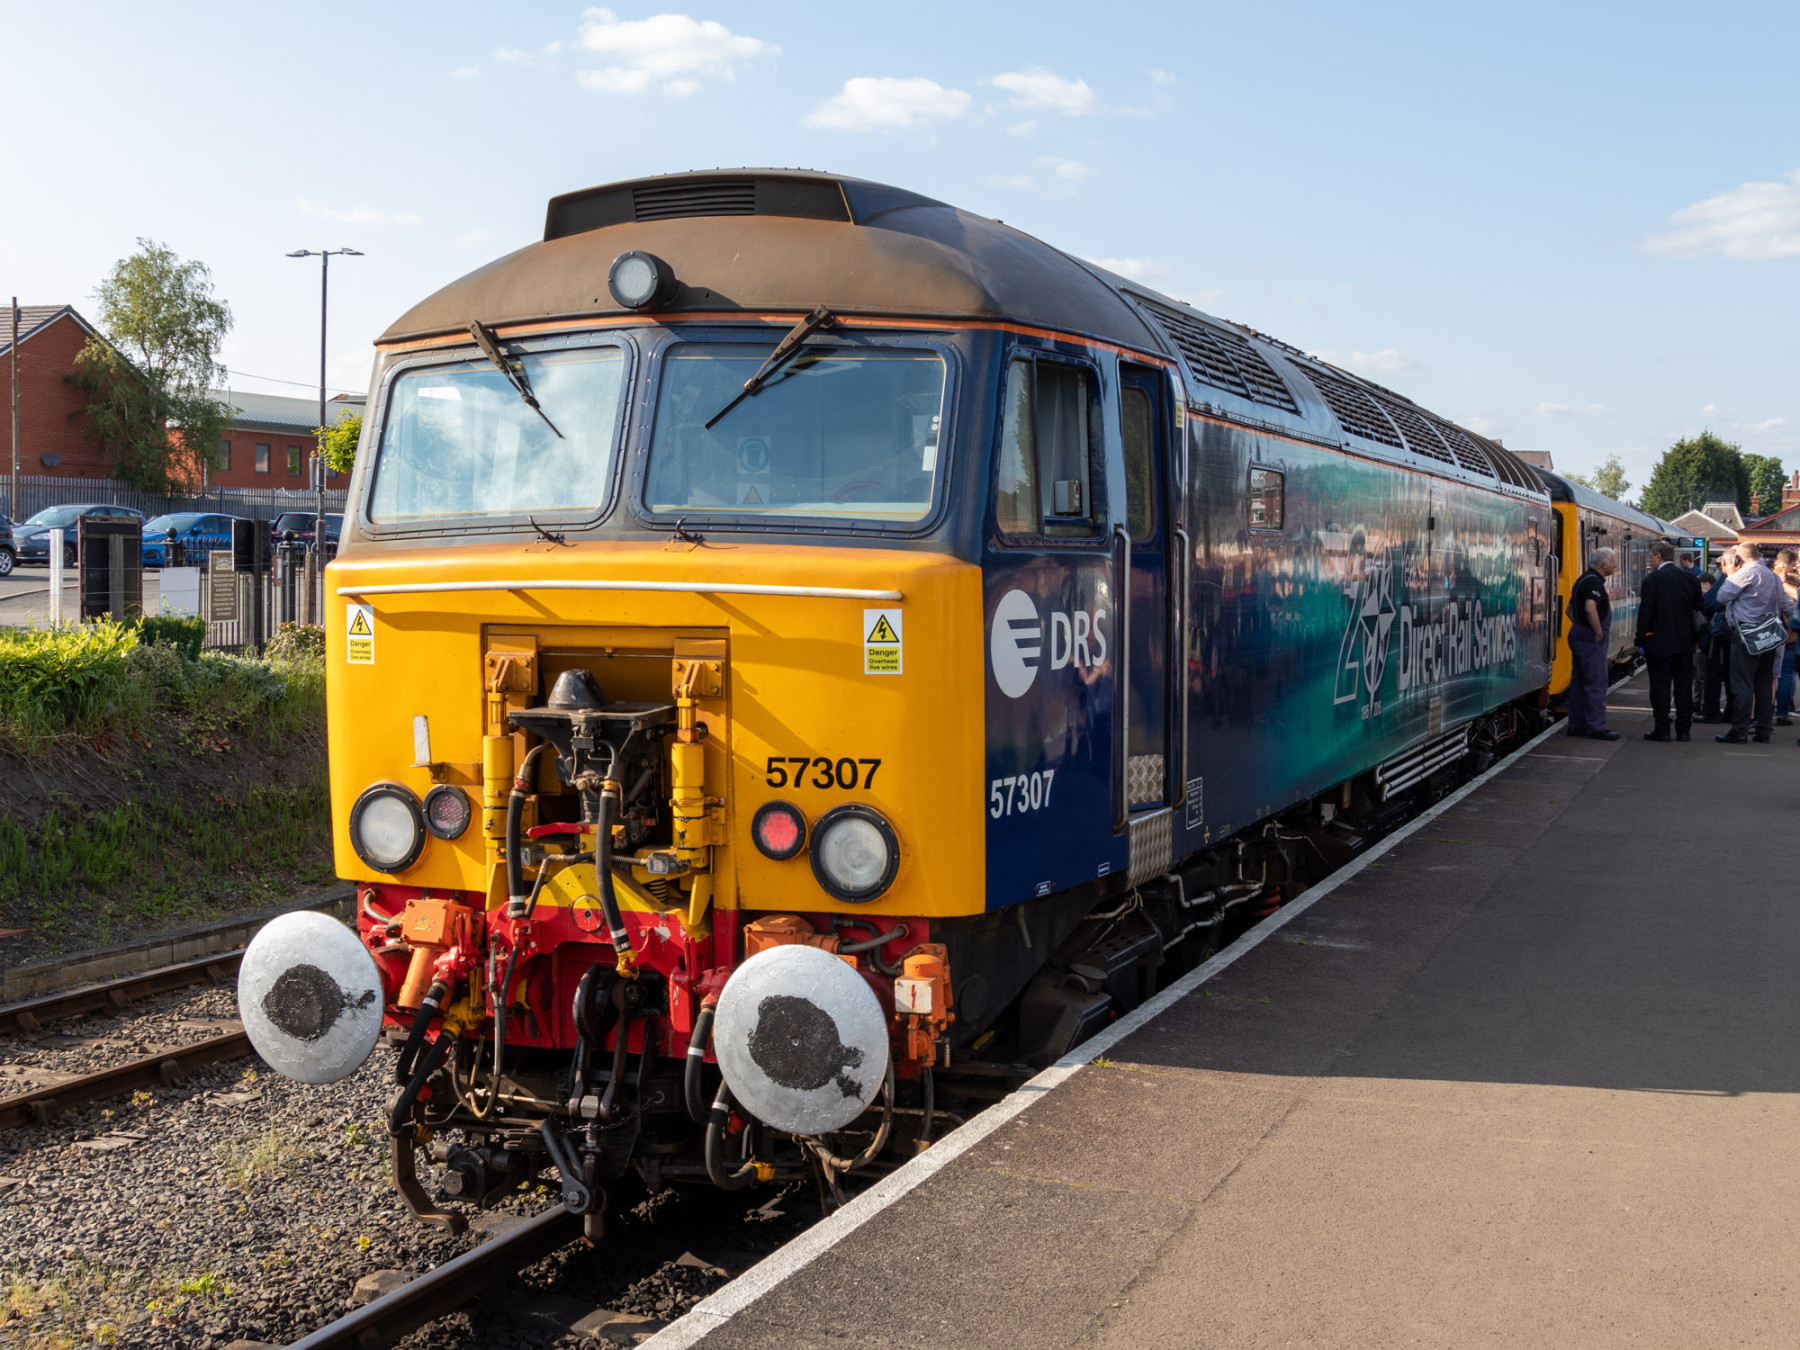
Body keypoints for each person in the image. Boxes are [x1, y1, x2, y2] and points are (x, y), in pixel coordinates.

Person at [1713, 542, 1795, 743]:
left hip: (1746, 636)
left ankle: (1739, 730)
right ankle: (1763, 731)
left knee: (1743, 684)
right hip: (1769, 637)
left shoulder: (1746, 573)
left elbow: (1722, 596)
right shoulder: (1774, 577)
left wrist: (1730, 574)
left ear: (1739, 558)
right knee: (1764, 686)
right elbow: (1788, 605)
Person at [1635, 539, 1703, 740]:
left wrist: (1639, 639)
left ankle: (1662, 729)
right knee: (1683, 687)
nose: (1650, 561)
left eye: (1650, 557)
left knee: (1660, 687)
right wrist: (1696, 637)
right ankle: (1684, 730)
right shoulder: (1690, 579)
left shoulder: (1652, 580)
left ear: (1657, 556)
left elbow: (1645, 613)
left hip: (1659, 642)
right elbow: (1699, 610)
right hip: (1685, 643)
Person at [1566, 546, 1619, 740]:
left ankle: (1576, 724)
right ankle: (1596, 726)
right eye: (1613, 562)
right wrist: (1596, 631)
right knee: (1596, 682)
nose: (1615, 565)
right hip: (1590, 638)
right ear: (1604, 564)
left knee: (1579, 682)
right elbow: (1590, 608)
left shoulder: (1582, 580)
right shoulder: (1595, 583)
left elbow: (1570, 609)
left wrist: (1579, 626)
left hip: (1578, 634)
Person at [1697, 570, 1733, 723]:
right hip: (1743, 637)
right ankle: (1732, 712)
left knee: (1713, 675)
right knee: (1734, 677)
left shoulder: (1729, 579)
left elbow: (1708, 603)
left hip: (1721, 637)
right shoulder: (1766, 577)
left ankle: (1712, 712)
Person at [1775, 555, 1800, 726]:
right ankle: (1784, 709)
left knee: (1784, 674)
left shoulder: (1776, 580)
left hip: (1784, 633)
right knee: (1786, 673)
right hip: (1790, 635)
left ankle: (1782, 711)